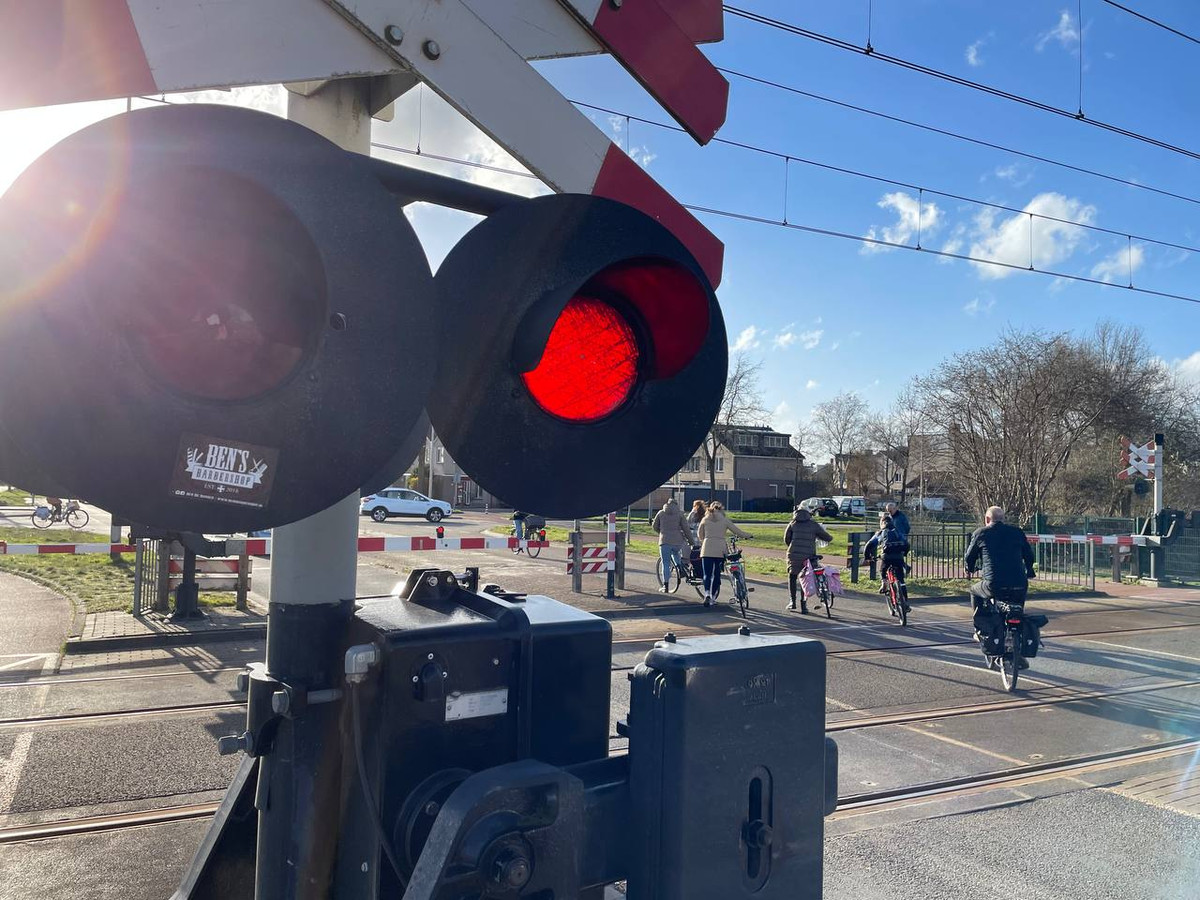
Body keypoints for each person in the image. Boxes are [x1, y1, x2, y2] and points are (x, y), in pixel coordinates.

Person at [964, 506, 1035, 614]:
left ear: (987, 519)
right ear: (1003, 519)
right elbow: (1029, 555)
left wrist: (969, 568)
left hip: (994, 584)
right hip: (1019, 583)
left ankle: (979, 626)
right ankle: (1019, 624)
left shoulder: (981, 533)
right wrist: (1029, 570)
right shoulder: (1017, 532)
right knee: (1017, 609)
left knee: (974, 591)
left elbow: (969, 556)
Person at [697, 502, 750, 607]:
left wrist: (705, 540)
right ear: (721, 510)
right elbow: (737, 531)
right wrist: (748, 535)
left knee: (707, 574)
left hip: (706, 549)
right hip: (720, 550)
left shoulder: (705, 520)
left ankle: (707, 593)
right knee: (717, 574)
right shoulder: (724, 520)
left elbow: (700, 535)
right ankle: (712, 597)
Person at [784, 504, 833, 614]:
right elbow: (827, 537)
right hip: (808, 556)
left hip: (793, 555)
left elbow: (786, 539)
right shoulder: (813, 525)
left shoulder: (792, 524)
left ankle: (792, 601)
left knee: (792, 576)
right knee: (805, 579)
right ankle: (804, 605)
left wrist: (792, 547)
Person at [864, 514, 911, 611]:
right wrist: (904, 553)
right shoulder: (897, 531)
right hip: (898, 557)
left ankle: (884, 582)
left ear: (882, 523)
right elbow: (906, 544)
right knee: (901, 581)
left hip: (887, 556)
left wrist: (867, 557)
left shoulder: (881, 533)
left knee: (883, 569)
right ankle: (905, 602)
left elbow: (869, 545)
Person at [652, 497, 697, 593]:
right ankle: (680, 568)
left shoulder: (661, 513)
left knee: (666, 563)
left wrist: (661, 532)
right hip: (678, 541)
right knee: (676, 553)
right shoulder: (680, 514)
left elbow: (654, 526)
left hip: (664, 541)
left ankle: (666, 585)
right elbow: (686, 529)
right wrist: (691, 542)